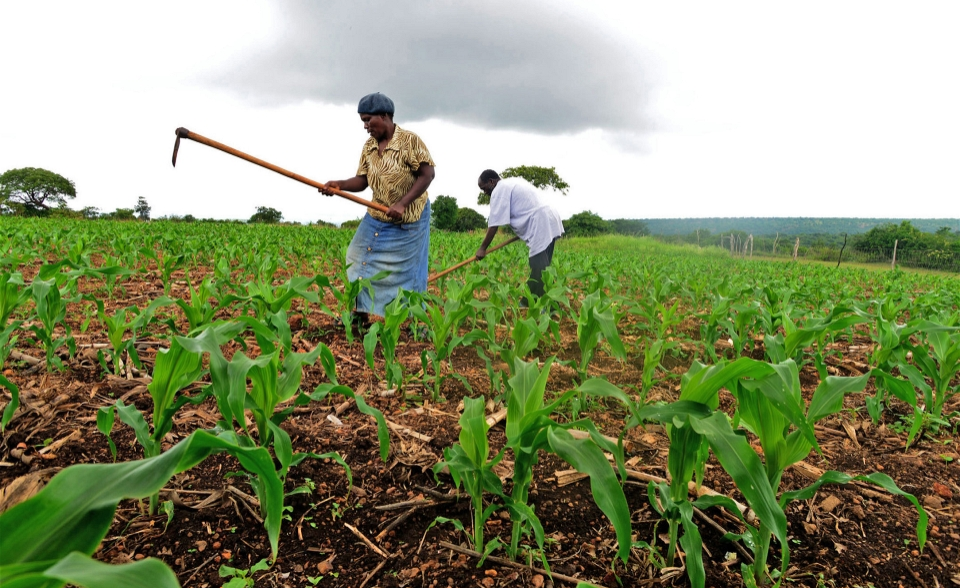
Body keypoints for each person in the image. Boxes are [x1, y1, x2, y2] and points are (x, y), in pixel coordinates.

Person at [320, 93, 435, 324]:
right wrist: (340, 185)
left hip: (409, 218)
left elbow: (427, 174)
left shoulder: (410, 141)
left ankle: (417, 321)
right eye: (363, 121)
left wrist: (402, 203)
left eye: (368, 120)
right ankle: (360, 313)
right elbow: (363, 180)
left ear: (384, 116)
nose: (365, 126)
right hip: (377, 215)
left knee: (411, 271)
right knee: (357, 257)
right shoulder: (369, 146)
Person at [476, 169, 564, 307]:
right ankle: (541, 303)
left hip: (540, 222)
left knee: (538, 267)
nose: (484, 192)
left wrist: (482, 248)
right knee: (543, 268)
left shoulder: (499, 190)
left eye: (484, 188)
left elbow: (494, 225)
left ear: (491, 182)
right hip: (550, 217)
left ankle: (540, 305)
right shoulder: (513, 182)